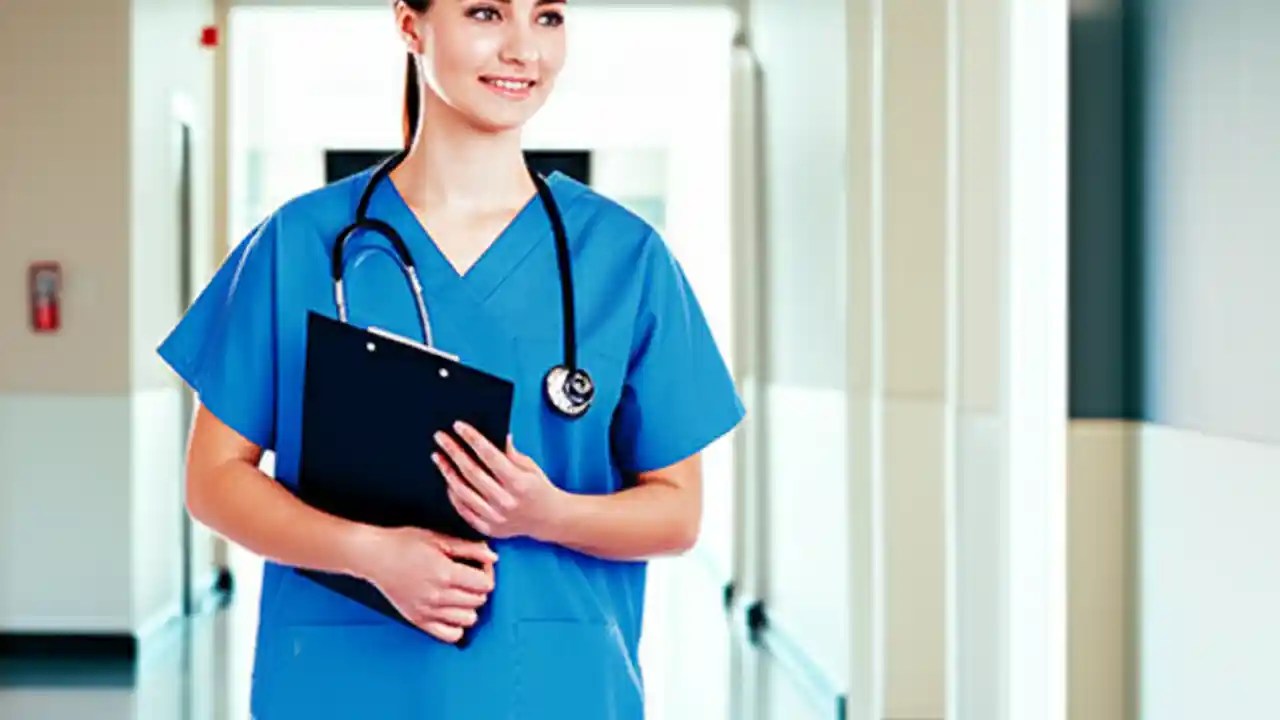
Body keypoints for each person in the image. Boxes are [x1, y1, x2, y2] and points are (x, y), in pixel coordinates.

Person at [158, 1, 744, 717]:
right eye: (486, 13)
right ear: (410, 26)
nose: (524, 49)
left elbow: (678, 513)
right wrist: (369, 553)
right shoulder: (300, 243)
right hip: (344, 683)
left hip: (557, 685)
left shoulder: (623, 258)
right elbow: (214, 480)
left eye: (549, 17)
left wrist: (547, 513)